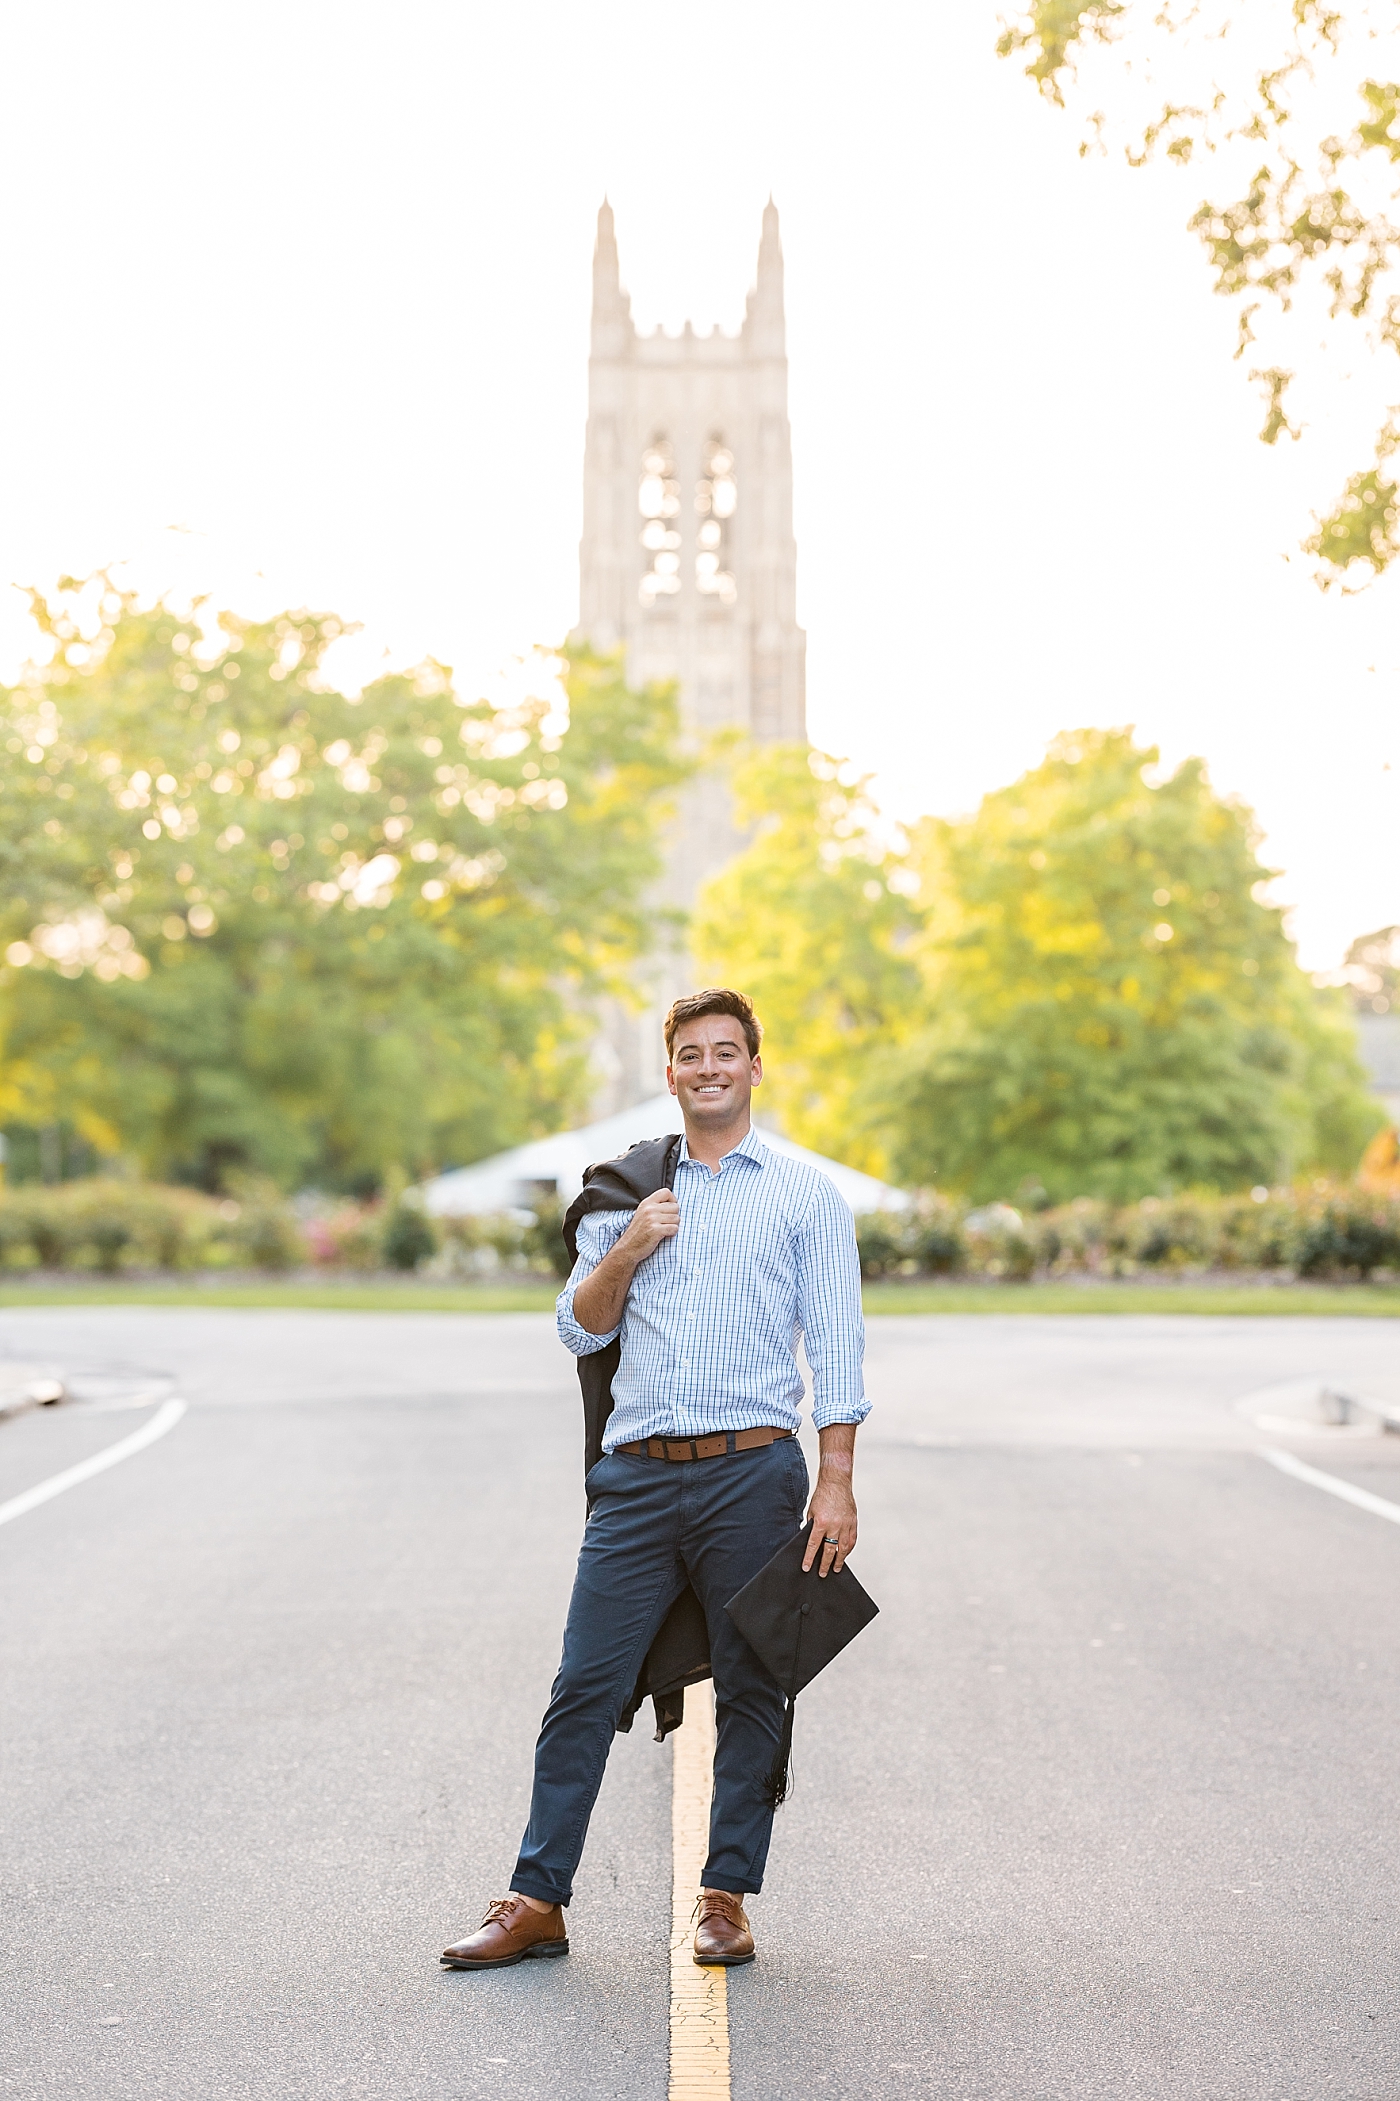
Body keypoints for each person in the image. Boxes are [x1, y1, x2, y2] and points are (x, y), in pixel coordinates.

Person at [441, 987, 868, 1971]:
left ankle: (723, 1897)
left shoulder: (804, 1195)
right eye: (690, 1053)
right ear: (670, 1072)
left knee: (757, 1685)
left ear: (754, 1068)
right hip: (635, 1480)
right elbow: (578, 1326)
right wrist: (631, 1244)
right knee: (582, 1683)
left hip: (751, 1474)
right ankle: (536, 1897)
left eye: (727, 1051)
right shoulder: (622, 1192)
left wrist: (834, 1480)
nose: (708, 1066)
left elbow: (838, 1351)